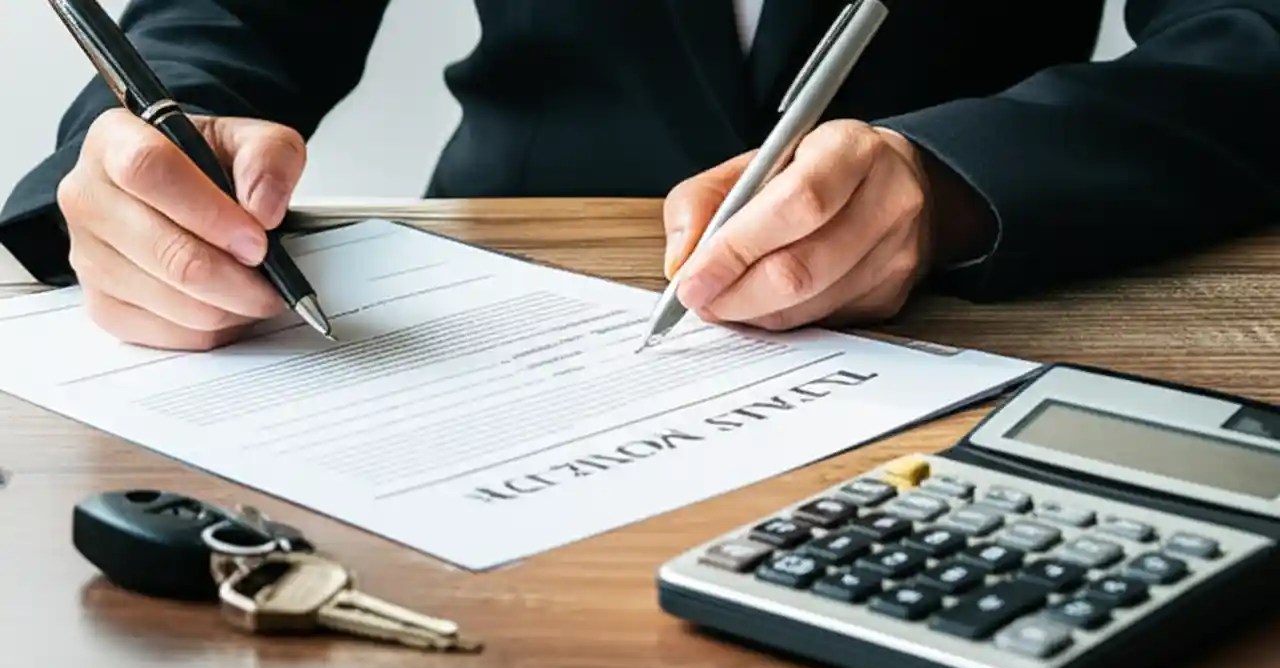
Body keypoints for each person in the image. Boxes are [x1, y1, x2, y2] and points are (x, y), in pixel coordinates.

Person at [1, 1, 1275, 351]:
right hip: (497, 270)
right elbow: (229, 19)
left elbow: (1249, 37)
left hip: (972, 321)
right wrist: (142, 147)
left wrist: (947, 179)